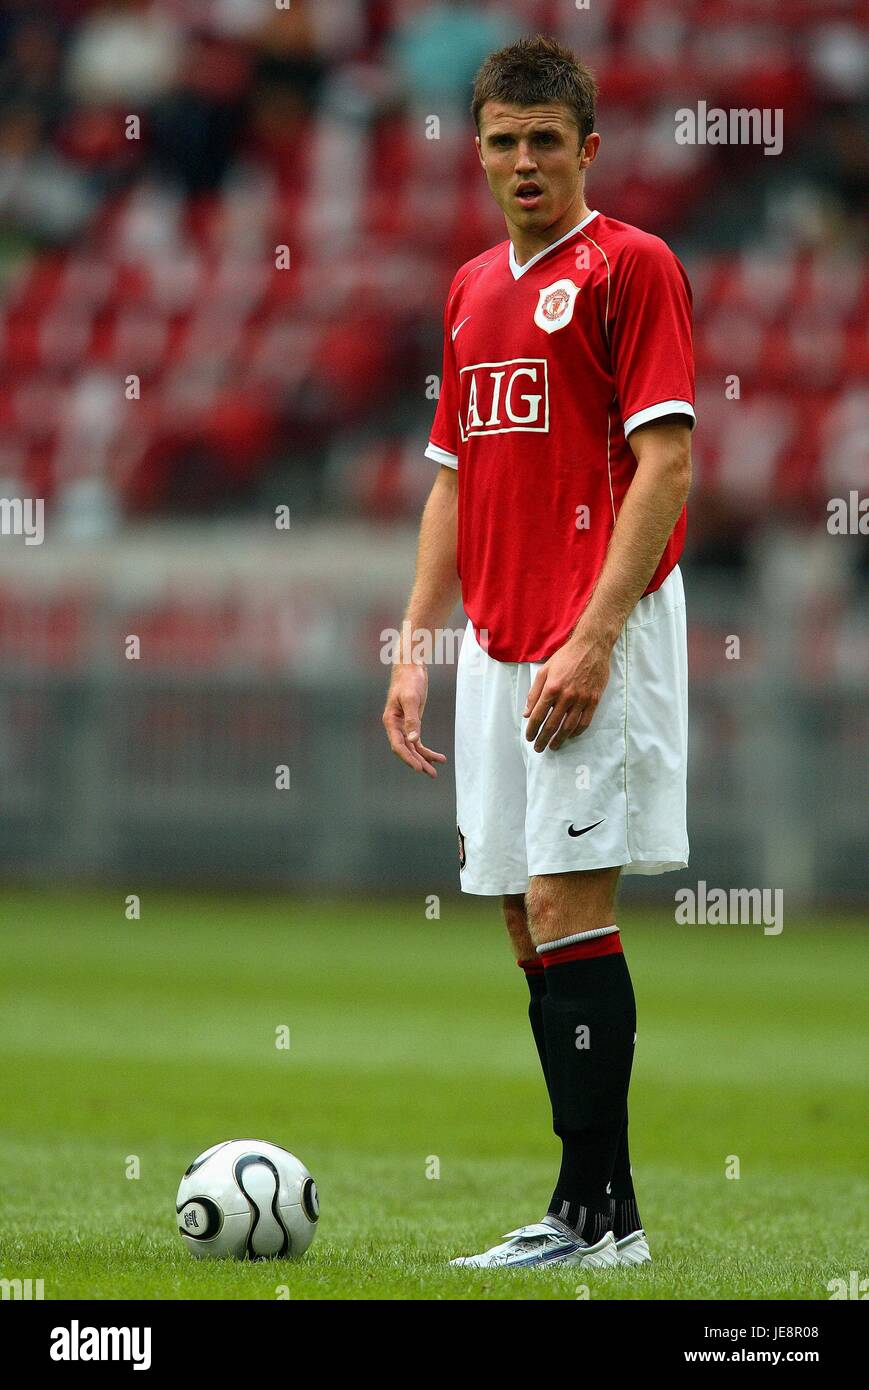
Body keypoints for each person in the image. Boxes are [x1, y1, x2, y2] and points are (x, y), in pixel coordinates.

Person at [382, 35, 695, 1270]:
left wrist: (596, 637)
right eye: (502, 140)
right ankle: (585, 1206)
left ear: (586, 150)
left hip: (593, 637)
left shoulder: (632, 267)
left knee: (569, 903)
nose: (523, 161)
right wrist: (415, 648)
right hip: (499, 640)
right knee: (522, 916)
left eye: (544, 142)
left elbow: (664, 461)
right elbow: (451, 481)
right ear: (476, 148)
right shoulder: (467, 288)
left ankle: (599, 1222)